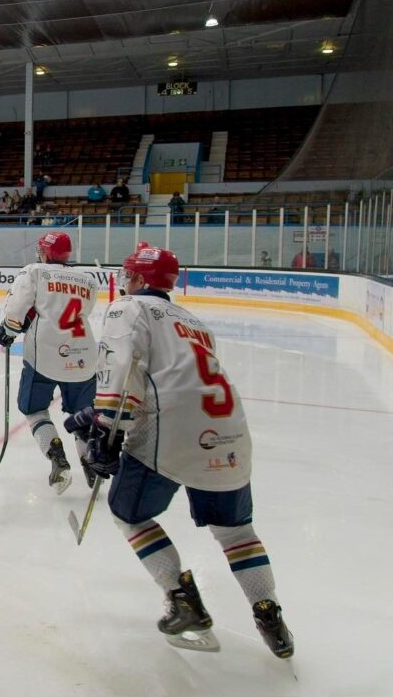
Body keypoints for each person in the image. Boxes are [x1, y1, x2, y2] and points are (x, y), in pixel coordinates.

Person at [65, 246, 293, 658]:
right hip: (230, 431)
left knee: (127, 514)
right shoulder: (195, 322)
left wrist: (103, 425)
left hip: (171, 429)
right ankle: (270, 614)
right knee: (237, 532)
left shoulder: (127, 307)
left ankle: (182, 598)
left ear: (135, 278)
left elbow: (119, 370)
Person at [0, 232, 98, 492]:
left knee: (34, 410)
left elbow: (17, 307)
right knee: (81, 414)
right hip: (83, 355)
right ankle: (90, 456)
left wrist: (8, 330)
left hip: (45, 356)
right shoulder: (87, 280)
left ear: (45, 252)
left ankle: (56, 456)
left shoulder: (34, 271)